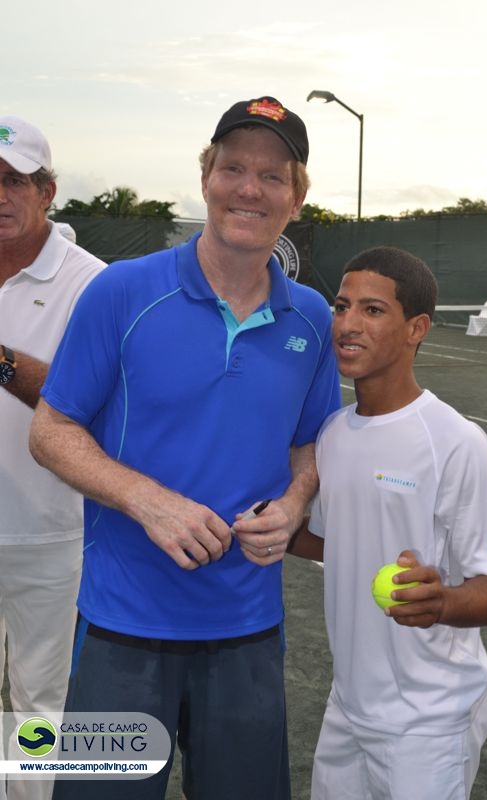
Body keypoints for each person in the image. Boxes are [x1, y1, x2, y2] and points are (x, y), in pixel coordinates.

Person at [29, 96, 341, 800]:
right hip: (120, 628)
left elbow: (310, 446)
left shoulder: (311, 319)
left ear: (295, 198)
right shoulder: (121, 291)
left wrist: (293, 506)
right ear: (206, 176)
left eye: (272, 176)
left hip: (247, 632)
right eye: (233, 167)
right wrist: (149, 501)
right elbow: (51, 430)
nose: (249, 189)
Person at [288, 246, 487, 800]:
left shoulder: (456, 443)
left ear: (417, 328)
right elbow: (338, 542)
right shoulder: (334, 435)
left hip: (429, 723)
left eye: (372, 310)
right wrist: (277, 533)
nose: (347, 324)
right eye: (342, 307)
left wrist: (440, 603)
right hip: (347, 707)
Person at [0, 115, 105, 800]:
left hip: (47, 530)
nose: (0, 195)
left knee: (40, 702)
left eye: (13, 180)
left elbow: (85, 400)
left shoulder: (91, 283)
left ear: (47, 191)